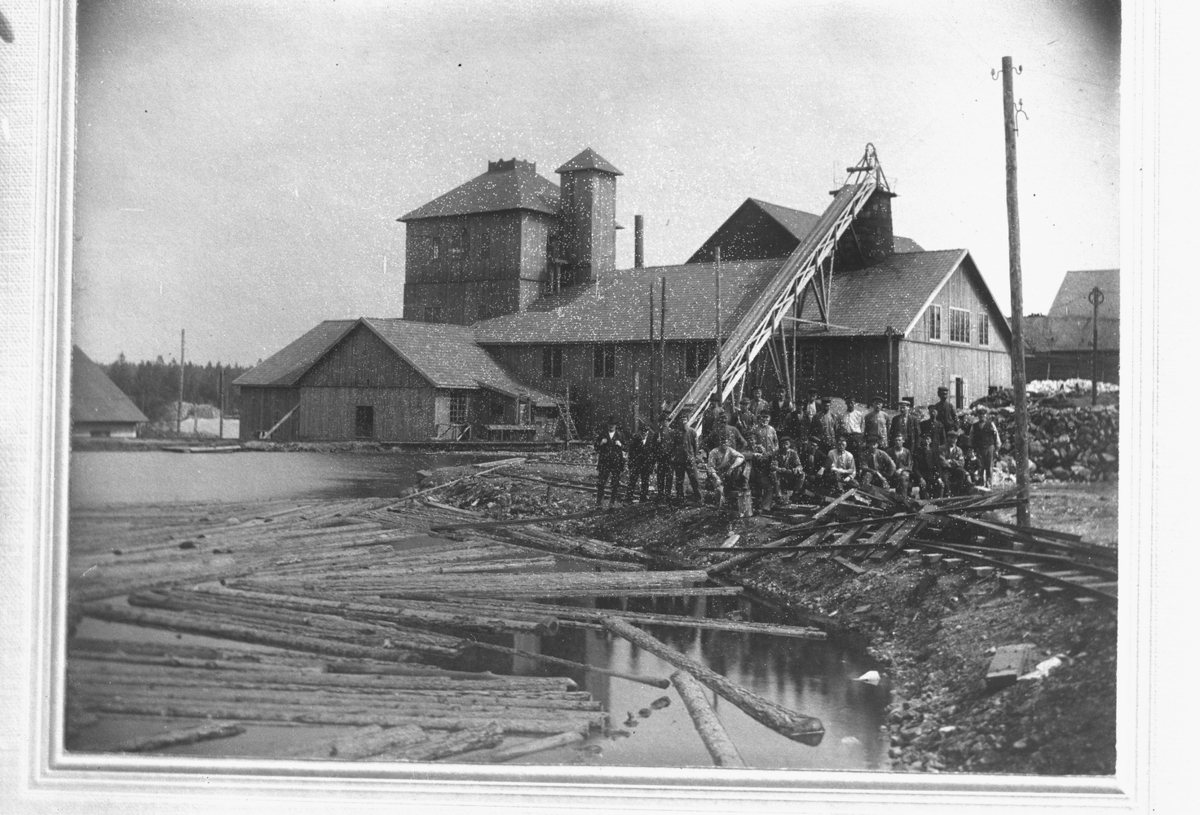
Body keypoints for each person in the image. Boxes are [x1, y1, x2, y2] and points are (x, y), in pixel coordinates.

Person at [707, 436, 750, 516]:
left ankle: (744, 482)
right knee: (719, 490)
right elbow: (710, 468)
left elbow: (741, 457)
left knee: (745, 464)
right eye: (722, 443)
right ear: (719, 443)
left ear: (728, 443)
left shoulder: (730, 450)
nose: (724, 444)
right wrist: (717, 478)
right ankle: (719, 510)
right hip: (716, 473)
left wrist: (731, 467)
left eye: (726, 443)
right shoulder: (714, 452)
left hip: (726, 472)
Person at [669, 414, 703, 503]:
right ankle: (680, 498)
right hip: (679, 460)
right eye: (681, 419)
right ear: (679, 421)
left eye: (684, 419)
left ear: (687, 420)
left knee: (694, 479)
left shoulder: (692, 432)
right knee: (679, 480)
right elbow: (672, 446)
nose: (683, 421)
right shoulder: (675, 432)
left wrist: (693, 456)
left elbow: (696, 446)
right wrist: (674, 456)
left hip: (690, 459)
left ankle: (699, 498)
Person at [594, 416, 625, 507]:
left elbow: (626, 448)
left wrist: (621, 445)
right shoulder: (602, 434)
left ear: (616, 425)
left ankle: (612, 502)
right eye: (610, 424)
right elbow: (596, 447)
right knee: (601, 483)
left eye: (613, 424)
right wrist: (600, 443)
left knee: (615, 483)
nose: (611, 426)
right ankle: (599, 502)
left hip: (616, 463)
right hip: (604, 462)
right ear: (607, 425)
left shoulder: (620, 435)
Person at [970, 406, 1002, 487]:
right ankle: (980, 484)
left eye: (983, 415)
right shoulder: (974, 426)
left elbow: (996, 436)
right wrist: (972, 449)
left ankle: (989, 485)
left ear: (986, 415)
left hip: (989, 448)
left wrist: (997, 449)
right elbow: (971, 438)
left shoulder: (991, 424)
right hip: (979, 449)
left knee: (989, 467)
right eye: (980, 415)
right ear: (978, 416)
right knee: (980, 467)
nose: (982, 417)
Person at [625, 422, 656, 503]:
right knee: (632, 481)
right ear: (640, 432)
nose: (644, 433)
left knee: (645, 481)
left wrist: (652, 465)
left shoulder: (651, 440)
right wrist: (630, 464)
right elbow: (631, 453)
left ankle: (643, 498)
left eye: (646, 432)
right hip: (636, 464)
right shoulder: (635, 439)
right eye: (643, 432)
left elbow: (653, 454)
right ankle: (628, 498)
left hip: (646, 464)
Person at [912, 429, 945, 499]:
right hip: (922, 475)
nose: (926, 441)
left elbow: (938, 466)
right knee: (923, 486)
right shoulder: (917, 452)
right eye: (924, 439)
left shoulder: (933, 452)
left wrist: (939, 478)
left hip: (932, 475)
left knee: (940, 484)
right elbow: (915, 468)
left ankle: (938, 503)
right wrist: (920, 478)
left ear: (930, 441)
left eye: (927, 439)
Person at [775, 436, 805, 503]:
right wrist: (781, 469)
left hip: (790, 473)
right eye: (783, 444)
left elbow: (799, 464)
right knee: (774, 473)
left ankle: (796, 494)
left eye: (786, 444)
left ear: (789, 444)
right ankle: (778, 496)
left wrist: (797, 469)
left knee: (802, 473)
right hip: (780, 474)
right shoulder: (776, 453)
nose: (784, 446)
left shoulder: (793, 453)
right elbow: (773, 466)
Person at [838, 395, 865, 460]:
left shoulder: (859, 414)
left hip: (856, 437)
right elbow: (839, 427)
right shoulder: (842, 415)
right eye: (848, 403)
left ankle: (858, 469)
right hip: (846, 437)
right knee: (847, 455)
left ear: (854, 403)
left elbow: (862, 426)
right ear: (846, 403)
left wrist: (860, 438)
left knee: (858, 455)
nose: (850, 405)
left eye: (851, 403)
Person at [933, 386, 959, 453]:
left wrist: (955, 428)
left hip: (949, 430)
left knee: (950, 446)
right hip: (940, 430)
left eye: (946, 394)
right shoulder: (937, 406)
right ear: (939, 395)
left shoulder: (950, 406)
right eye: (943, 394)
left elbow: (955, 417)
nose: (944, 396)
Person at [887, 434, 914, 499]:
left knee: (903, 478)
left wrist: (901, 469)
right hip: (892, 473)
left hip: (903, 473)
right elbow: (886, 464)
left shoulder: (906, 451)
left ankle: (903, 500)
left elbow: (910, 465)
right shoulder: (889, 451)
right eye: (896, 440)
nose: (897, 442)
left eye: (899, 440)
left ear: (903, 441)